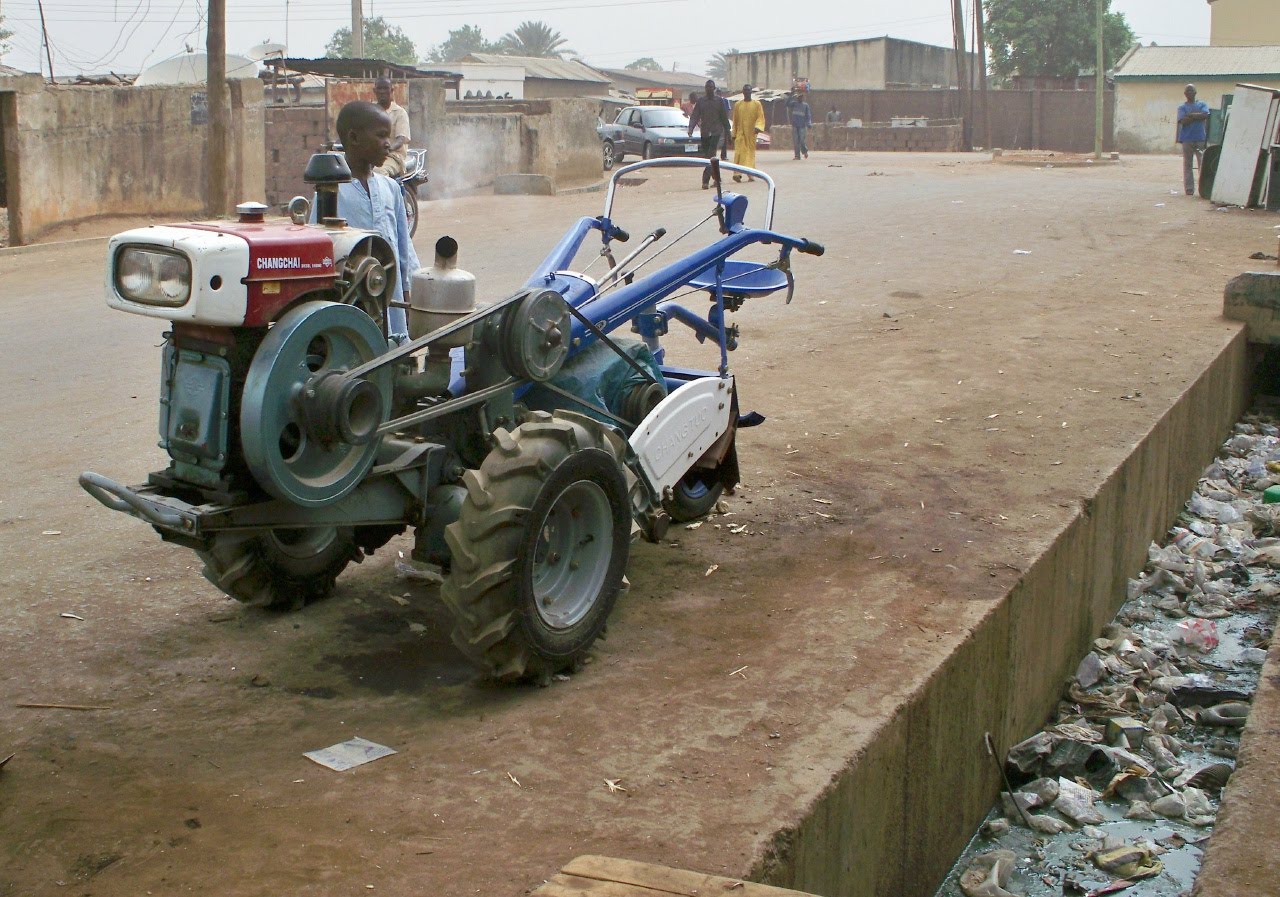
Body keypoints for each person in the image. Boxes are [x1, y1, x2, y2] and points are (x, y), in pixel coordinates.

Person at [330, 100, 420, 341]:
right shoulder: (331, 192)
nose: (388, 144)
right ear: (354, 137)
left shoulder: (391, 188)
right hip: (352, 299)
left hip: (393, 299)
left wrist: (408, 295)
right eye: (381, 136)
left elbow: (403, 249)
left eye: (388, 136)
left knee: (395, 347)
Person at [688, 79, 731, 190]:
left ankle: (705, 181)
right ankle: (717, 179)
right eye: (707, 87)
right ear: (705, 89)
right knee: (708, 156)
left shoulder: (719, 101)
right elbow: (695, 115)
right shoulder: (701, 101)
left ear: (714, 88)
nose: (709, 89)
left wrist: (728, 131)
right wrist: (690, 128)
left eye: (711, 87)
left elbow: (724, 117)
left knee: (710, 155)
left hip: (716, 132)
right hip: (705, 133)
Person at [372, 77, 411, 178]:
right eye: (379, 88)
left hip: (392, 156)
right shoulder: (369, 111)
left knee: (378, 171)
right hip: (371, 155)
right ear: (374, 91)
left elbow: (401, 139)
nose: (382, 92)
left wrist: (387, 149)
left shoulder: (400, 113)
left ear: (391, 90)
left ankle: (384, 189)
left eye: (385, 88)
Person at [1177, 84, 1211, 196]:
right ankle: (1189, 189)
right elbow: (1183, 121)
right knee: (1188, 165)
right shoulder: (1182, 107)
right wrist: (1197, 116)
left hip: (1200, 138)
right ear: (1184, 94)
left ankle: (1203, 188)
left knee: (1202, 165)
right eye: (1187, 91)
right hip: (1187, 139)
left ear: (1195, 92)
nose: (1189, 93)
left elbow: (1205, 115)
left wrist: (1190, 115)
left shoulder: (1202, 104)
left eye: (1191, 91)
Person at [731, 84, 766, 183]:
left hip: (751, 134)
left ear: (751, 92)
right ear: (743, 92)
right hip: (740, 134)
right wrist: (733, 134)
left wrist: (758, 127)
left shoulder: (757, 104)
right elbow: (735, 120)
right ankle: (737, 174)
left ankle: (750, 174)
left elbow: (760, 117)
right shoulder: (738, 105)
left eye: (748, 90)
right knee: (739, 153)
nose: (746, 92)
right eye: (745, 90)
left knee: (749, 154)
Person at [787, 90, 812, 159]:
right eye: (799, 97)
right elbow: (787, 104)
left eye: (801, 97)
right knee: (796, 141)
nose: (800, 98)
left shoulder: (805, 106)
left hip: (802, 126)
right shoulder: (794, 104)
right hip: (795, 125)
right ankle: (797, 156)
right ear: (797, 98)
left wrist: (809, 123)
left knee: (801, 141)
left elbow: (808, 115)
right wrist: (791, 95)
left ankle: (805, 151)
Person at [717, 88, 732, 160]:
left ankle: (723, 155)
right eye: (717, 93)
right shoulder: (714, 100)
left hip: (724, 122)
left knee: (724, 139)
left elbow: (728, 111)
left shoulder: (725, 101)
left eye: (719, 93)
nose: (718, 94)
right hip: (716, 122)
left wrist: (726, 120)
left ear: (721, 93)